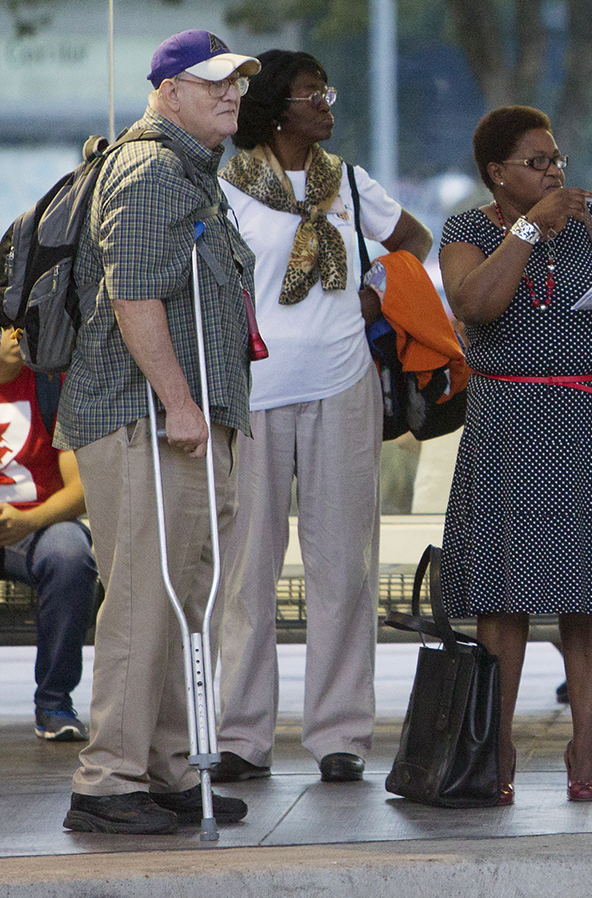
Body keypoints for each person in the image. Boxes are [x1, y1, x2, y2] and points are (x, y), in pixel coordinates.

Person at [54, 30, 259, 835]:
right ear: (168, 90)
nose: (232, 94)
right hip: (145, 421)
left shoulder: (196, 174)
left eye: (237, 81)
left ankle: (170, 766)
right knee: (144, 597)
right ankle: (108, 778)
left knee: (187, 595)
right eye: (213, 83)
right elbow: (134, 294)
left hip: (184, 423)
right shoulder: (148, 168)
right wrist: (179, 401)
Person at [209, 51, 433, 787]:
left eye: (327, 91)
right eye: (312, 93)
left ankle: (341, 733)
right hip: (256, 390)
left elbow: (415, 241)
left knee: (344, 566)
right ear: (276, 109)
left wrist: (375, 296)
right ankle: (241, 734)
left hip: (343, 384)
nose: (327, 103)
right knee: (247, 571)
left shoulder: (347, 182)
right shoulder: (226, 185)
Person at [439, 104, 592, 804]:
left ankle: (585, 735)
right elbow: (478, 302)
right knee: (504, 593)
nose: (555, 171)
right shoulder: (468, 230)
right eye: (537, 162)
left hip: (586, 417)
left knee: (585, 590)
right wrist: (531, 229)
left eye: (557, 159)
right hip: (507, 422)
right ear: (496, 173)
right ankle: (497, 739)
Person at [0, 325, 97, 743]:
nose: (15, 335)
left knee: (72, 556)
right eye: (4, 325)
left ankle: (54, 702)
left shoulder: (52, 388)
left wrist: (30, 520)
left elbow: (81, 491)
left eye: (22, 325)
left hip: (36, 525)